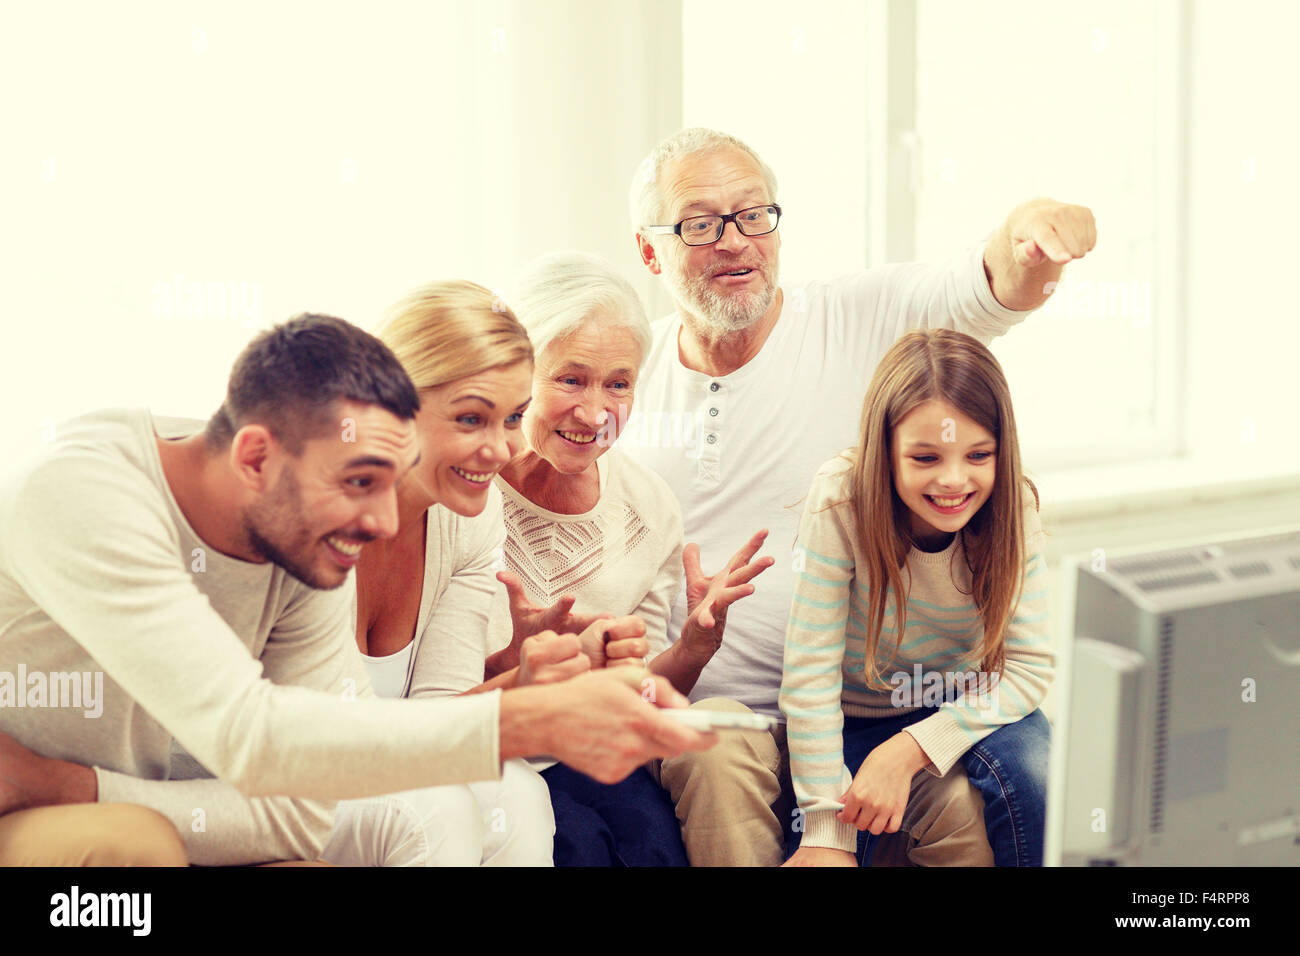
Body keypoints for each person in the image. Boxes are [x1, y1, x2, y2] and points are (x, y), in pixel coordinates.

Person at [0, 313, 713, 866]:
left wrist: (61, 783)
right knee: (135, 846)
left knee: (446, 809)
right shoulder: (85, 492)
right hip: (41, 813)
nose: (380, 521)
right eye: (361, 483)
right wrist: (536, 715)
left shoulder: (301, 540)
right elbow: (252, 735)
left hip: (81, 786)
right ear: (256, 457)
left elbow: (302, 799)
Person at [619, 127, 1094, 865]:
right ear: (651, 252)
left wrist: (1029, 239)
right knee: (710, 751)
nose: (736, 241)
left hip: (876, 704)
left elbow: (985, 287)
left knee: (990, 794)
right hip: (717, 708)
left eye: (753, 215)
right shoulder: (627, 372)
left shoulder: (850, 315)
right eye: (700, 224)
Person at [487, 250, 771, 865]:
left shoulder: (649, 508)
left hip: (584, 750)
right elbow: (418, 696)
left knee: (654, 845)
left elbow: (639, 692)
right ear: (519, 372)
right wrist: (518, 658)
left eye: (618, 384)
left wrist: (694, 646)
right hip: (484, 747)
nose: (594, 414)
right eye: (569, 378)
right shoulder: (467, 484)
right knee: (577, 845)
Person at [323, 280, 614, 867]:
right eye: (470, 419)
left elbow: (440, 707)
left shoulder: (469, 517)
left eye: (512, 417)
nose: (501, 449)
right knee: (434, 810)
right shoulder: (318, 511)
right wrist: (516, 689)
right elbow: (340, 744)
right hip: (266, 772)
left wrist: (533, 681)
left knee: (518, 792)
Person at [781, 329, 1051, 866]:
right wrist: (823, 826)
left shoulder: (1014, 502)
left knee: (1038, 780)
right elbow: (810, 672)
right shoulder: (841, 497)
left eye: (979, 454)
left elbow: (1028, 667)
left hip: (972, 703)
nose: (954, 481)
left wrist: (911, 749)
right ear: (886, 452)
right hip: (862, 716)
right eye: (926, 458)